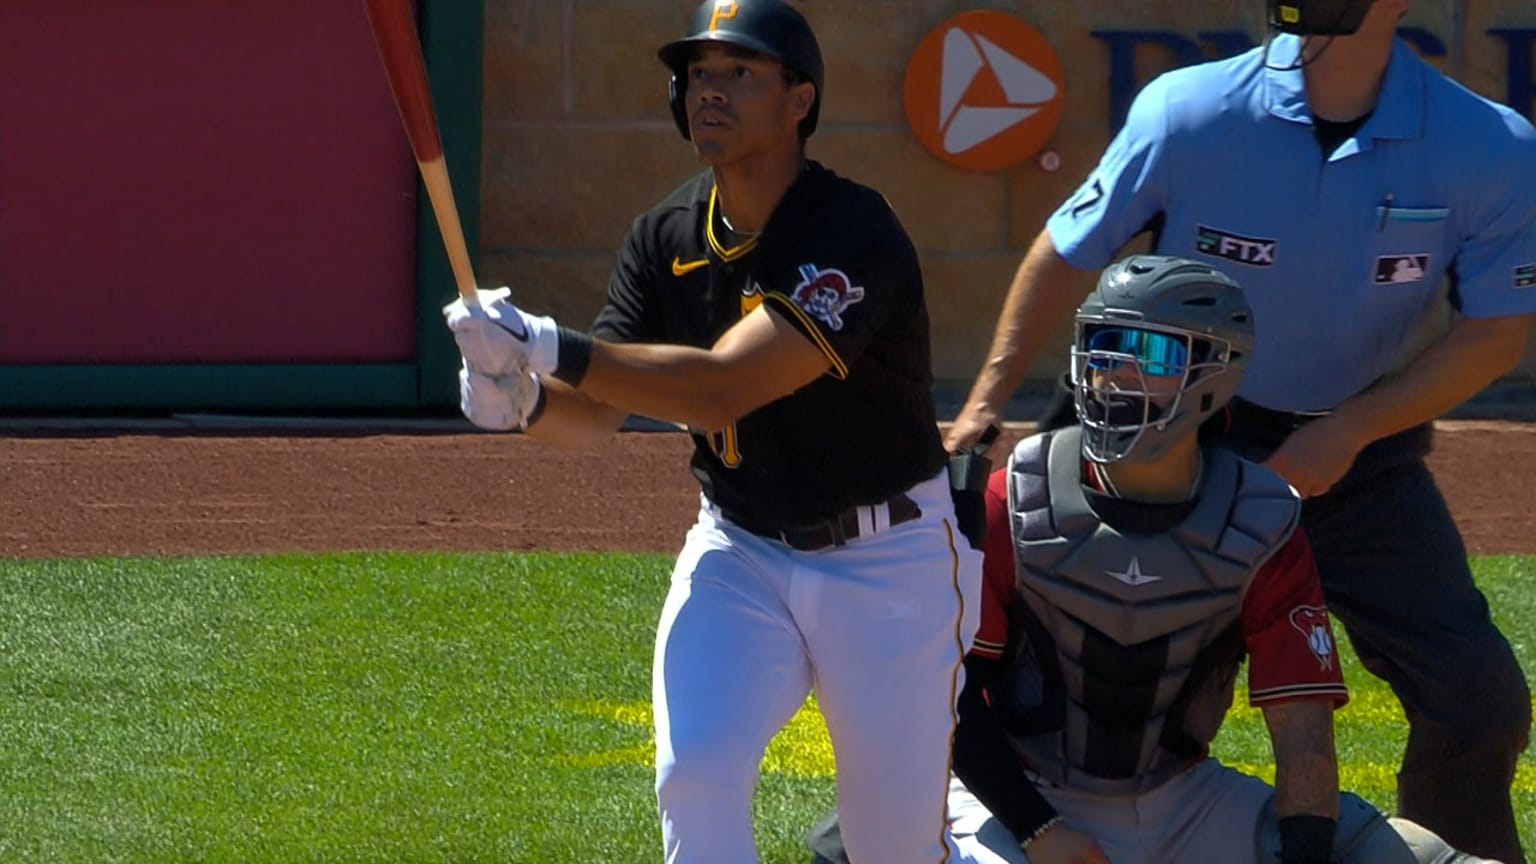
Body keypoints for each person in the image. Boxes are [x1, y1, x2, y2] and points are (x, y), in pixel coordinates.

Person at [946, 1, 1536, 859]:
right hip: (1156, 436)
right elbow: (1070, 250)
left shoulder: (1491, 145)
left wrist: (1348, 432)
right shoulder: (1188, 112)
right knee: (1034, 667)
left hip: (1356, 453)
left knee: (1475, 696)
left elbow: (1496, 330)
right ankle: (995, 823)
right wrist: (982, 406)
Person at [442, 1, 983, 861]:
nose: (711, 92)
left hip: (891, 562)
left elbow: (727, 388)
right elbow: (594, 414)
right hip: (742, 551)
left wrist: (546, 345)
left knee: (893, 846)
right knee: (692, 774)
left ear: (800, 99)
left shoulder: (852, 228)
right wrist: (523, 401)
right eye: (699, 74)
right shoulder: (662, 236)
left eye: (740, 72)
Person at [807, 255, 1497, 864]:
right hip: (1016, 796)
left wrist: (1309, 856)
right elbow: (952, 700)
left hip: (1183, 799)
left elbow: (1302, 727)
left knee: (1413, 855)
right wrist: (1040, 829)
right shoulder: (1013, 496)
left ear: (1214, 374)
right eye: (1104, 350)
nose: (1116, 377)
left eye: (1151, 356)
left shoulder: (1261, 520)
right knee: (876, 833)